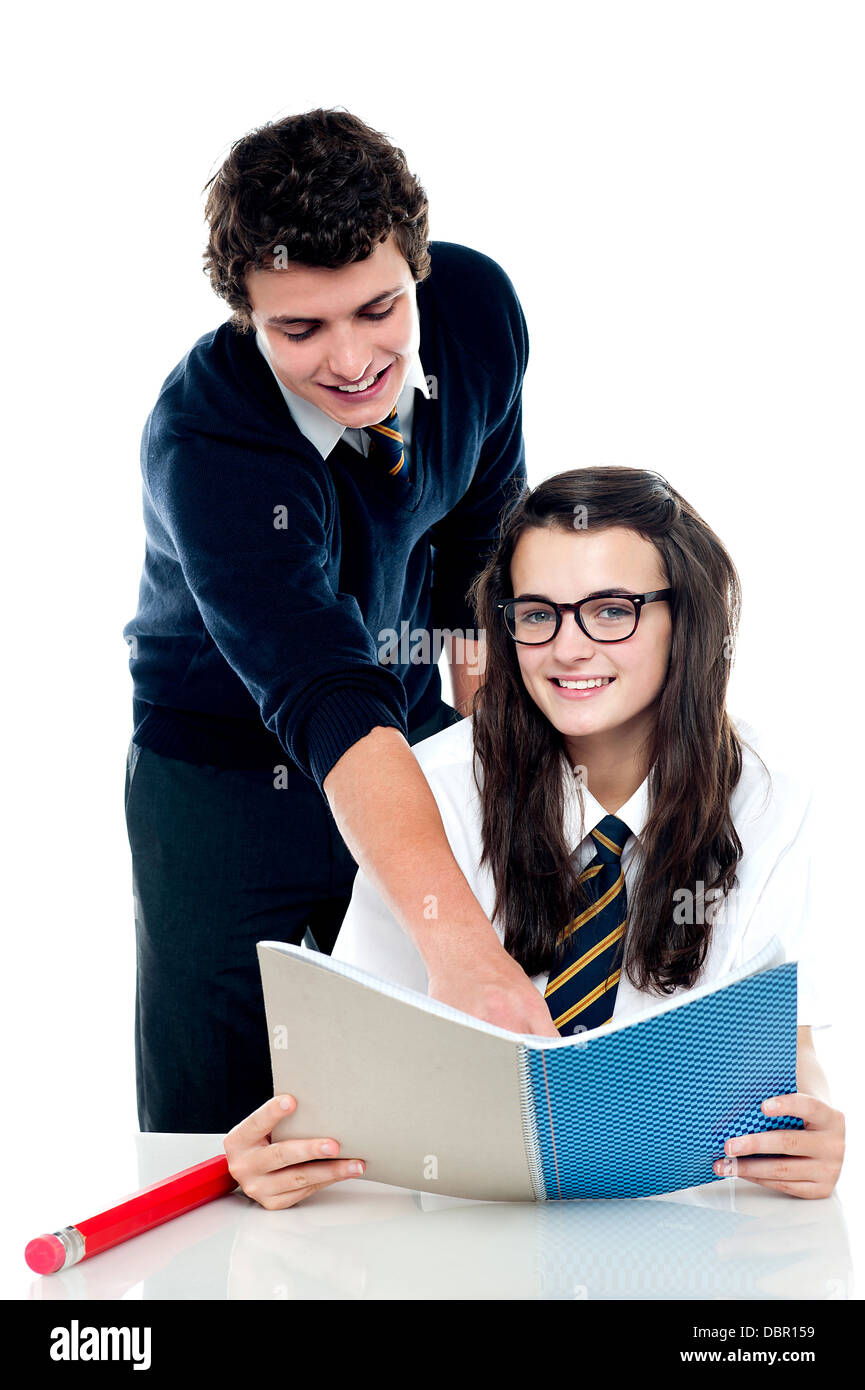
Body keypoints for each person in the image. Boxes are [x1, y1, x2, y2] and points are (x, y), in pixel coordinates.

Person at [223, 466, 845, 1206]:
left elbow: (782, 1047)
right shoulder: (434, 790)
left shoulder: (769, 800)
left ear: (689, 618)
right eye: (537, 614)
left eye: (611, 610)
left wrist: (817, 1136)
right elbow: (353, 1067)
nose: (568, 649)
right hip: (461, 1224)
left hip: (671, 1229)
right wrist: (281, 1158)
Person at [123, 107, 557, 1136]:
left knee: (420, 1092)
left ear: (415, 265)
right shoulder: (208, 440)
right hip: (222, 774)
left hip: (407, 724)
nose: (354, 359)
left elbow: (483, 513)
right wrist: (460, 942)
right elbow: (320, 684)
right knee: (226, 1121)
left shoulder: (479, 310)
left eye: (378, 307)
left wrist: (482, 690)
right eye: (299, 328)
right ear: (243, 316)